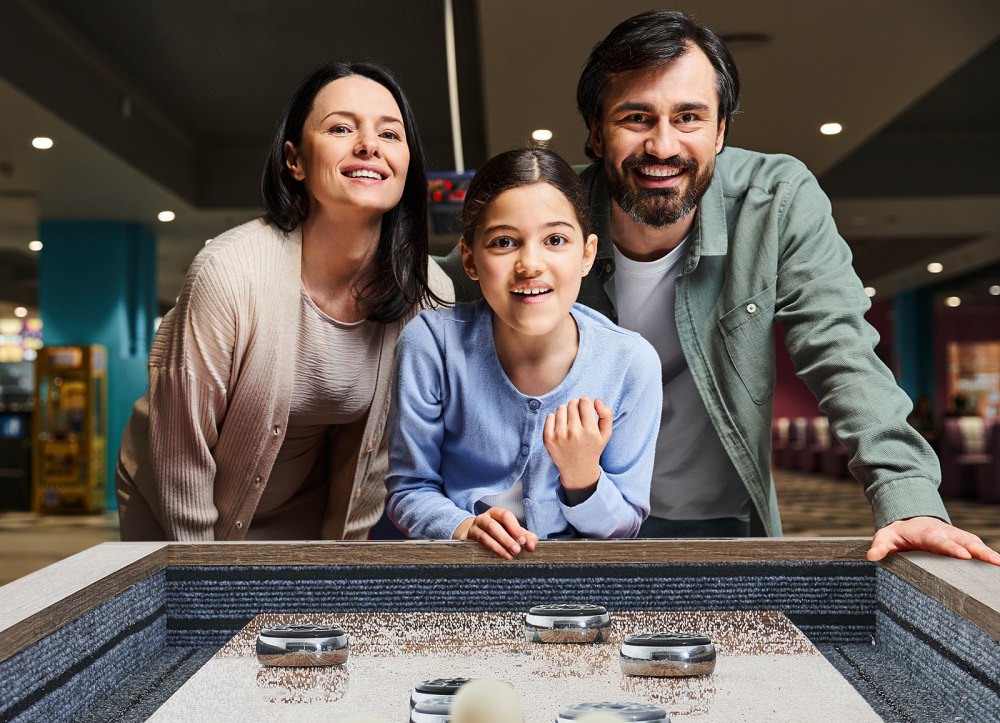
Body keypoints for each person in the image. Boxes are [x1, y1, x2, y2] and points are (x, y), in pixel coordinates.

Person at [441, 11, 999, 566]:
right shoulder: (550, 215)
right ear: (595, 129)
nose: (662, 146)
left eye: (688, 117)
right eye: (636, 117)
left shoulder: (776, 200)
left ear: (721, 130)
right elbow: (437, 285)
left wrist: (908, 499)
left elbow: (842, 351)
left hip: (720, 523)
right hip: (563, 526)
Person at [116, 62, 452, 541]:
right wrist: (208, 581)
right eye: (340, 128)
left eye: (390, 134)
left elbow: (377, 462)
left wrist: (343, 565)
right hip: (172, 505)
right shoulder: (230, 272)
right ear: (294, 160)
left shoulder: (428, 293)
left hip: (302, 510)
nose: (369, 146)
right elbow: (179, 453)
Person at [386, 147, 662, 560]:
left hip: (578, 591)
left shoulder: (630, 363)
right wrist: (460, 527)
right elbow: (409, 490)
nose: (530, 264)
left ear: (586, 254)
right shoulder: (431, 346)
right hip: (463, 580)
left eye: (555, 240)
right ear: (470, 259)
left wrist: (582, 474)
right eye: (503, 242)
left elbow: (624, 526)